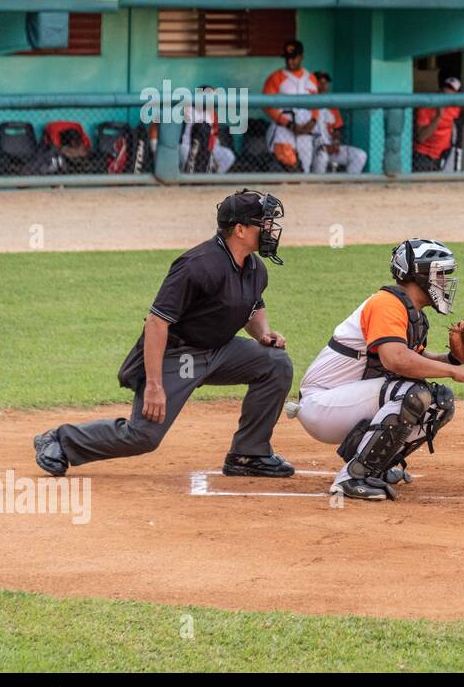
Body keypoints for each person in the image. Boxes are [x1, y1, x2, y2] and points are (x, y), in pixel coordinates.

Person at [33, 190, 295, 482]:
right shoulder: (198, 265)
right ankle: (59, 440)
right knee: (144, 435)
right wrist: (155, 385)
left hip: (220, 351)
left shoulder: (255, 268)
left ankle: (249, 454)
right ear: (241, 229)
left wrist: (264, 334)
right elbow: (157, 323)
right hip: (178, 356)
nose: (271, 229)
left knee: (275, 362)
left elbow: (252, 306)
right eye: (265, 222)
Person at [292, 239, 464, 501]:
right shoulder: (386, 304)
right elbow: (396, 360)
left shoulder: (411, 312)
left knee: (441, 402)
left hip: (347, 401)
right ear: (418, 276)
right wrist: (453, 371)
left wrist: (452, 360)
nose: (443, 281)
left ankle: (376, 467)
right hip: (323, 405)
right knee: (414, 394)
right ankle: (353, 477)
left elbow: (414, 358)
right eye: (438, 274)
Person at [263, 39, 321, 172]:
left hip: (306, 128)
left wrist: (313, 121)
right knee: (286, 166)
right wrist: (288, 124)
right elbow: (267, 106)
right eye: (287, 58)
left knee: (305, 169)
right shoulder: (275, 77)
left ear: (301, 57)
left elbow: (316, 104)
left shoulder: (311, 78)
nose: (290, 61)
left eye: (294, 58)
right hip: (283, 129)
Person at [310, 71, 368, 174]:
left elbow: (337, 129)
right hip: (312, 149)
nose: (323, 86)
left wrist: (336, 144)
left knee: (360, 155)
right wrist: (323, 147)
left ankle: (347, 186)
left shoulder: (332, 106)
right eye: (320, 82)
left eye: (325, 83)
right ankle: (317, 186)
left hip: (330, 147)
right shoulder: (306, 104)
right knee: (322, 156)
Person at [413, 77, 463, 171]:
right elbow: (421, 138)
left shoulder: (456, 108)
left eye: (451, 91)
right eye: (445, 89)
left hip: (444, 154)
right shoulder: (426, 107)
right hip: (424, 154)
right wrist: (438, 116)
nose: (447, 92)